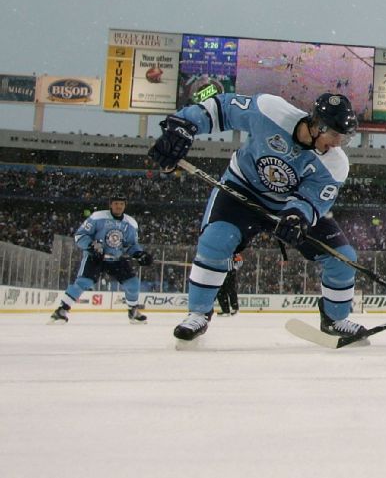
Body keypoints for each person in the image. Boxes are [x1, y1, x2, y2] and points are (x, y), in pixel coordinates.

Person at [148, 91, 365, 343]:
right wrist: (184, 126)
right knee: (215, 242)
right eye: (336, 135)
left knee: (343, 259)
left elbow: (312, 199)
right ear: (318, 126)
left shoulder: (336, 163)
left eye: (344, 137)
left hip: (287, 208)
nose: (339, 143)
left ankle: (335, 319)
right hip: (242, 189)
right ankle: (198, 314)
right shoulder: (270, 111)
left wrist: (296, 217)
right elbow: (222, 109)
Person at [49, 196, 153, 324]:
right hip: (95, 257)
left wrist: (139, 254)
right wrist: (92, 246)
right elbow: (80, 236)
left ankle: (133, 311)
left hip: (115, 259)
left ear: (125, 205)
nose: (119, 206)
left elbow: (130, 245)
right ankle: (61, 311)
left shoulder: (131, 223)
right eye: (116, 203)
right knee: (83, 282)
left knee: (132, 283)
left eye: (121, 204)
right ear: (110, 204)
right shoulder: (97, 217)